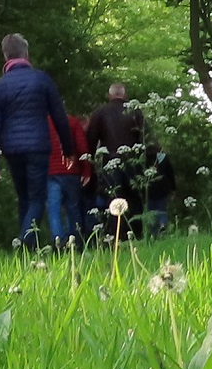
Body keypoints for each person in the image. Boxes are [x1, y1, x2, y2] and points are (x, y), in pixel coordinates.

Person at [0, 33, 74, 248]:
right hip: (38, 148)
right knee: (37, 199)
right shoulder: (42, 79)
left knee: (24, 198)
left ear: (6, 56)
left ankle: (29, 250)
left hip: (12, 150)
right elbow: (60, 117)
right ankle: (25, 241)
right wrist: (68, 149)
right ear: (26, 53)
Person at [86, 82, 146, 239]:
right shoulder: (135, 111)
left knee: (114, 201)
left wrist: (90, 164)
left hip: (110, 162)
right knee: (134, 200)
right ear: (125, 95)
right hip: (133, 162)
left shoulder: (100, 113)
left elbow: (91, 140)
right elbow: (145, 138)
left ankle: (116, 236)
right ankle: (136, 235)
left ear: (109, 96)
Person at [46, 113, 91, 247]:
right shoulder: (73, 122)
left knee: (54, 210)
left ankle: (58, 242)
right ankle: (75, 243)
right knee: (73, 208)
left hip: (50, 172)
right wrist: (87, 170)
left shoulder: (43, 123)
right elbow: (82, 147)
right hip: (71, 171)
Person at [143, 145, 176, 237]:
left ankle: (153, 233)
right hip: (162, 190)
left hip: (149, 191)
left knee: (151, 212)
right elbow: (171, 175)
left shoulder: (144, 159)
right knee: (162, 210)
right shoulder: (164, 159)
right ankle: (163, 226)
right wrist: (173, 189)